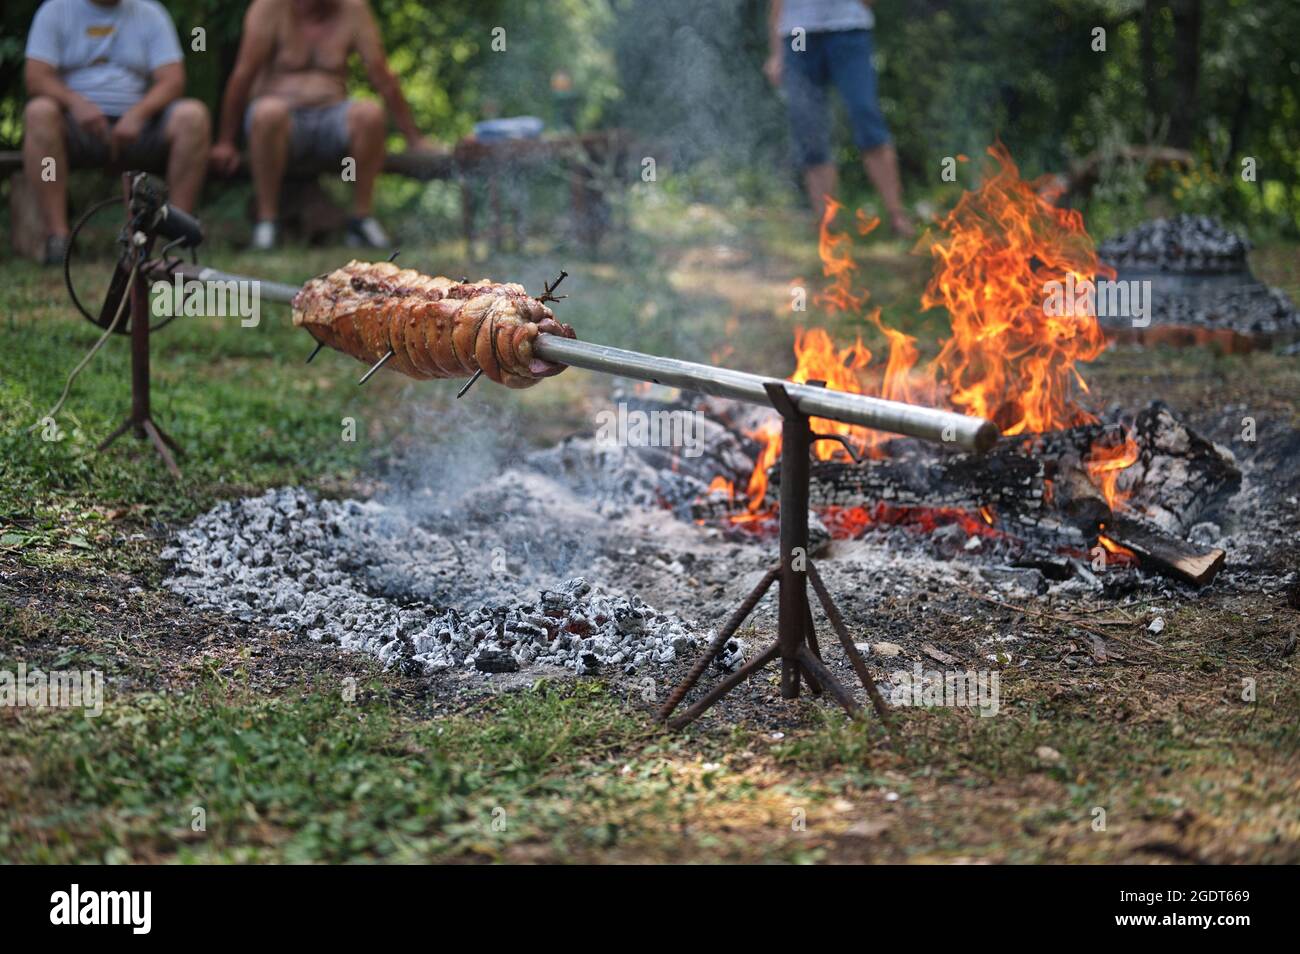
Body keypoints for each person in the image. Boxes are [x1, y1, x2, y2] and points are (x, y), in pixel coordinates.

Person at [209, 0, 434, 251]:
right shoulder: (268, 8)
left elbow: (382, 75)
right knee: (267, 112)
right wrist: (225, 141)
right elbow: (243, 74)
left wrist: (414, 139)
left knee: (369, 113)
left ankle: (361, 219)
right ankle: (267, 222)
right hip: (282, 122)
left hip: (332, 118)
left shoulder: (354, 10)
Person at [22, 0, 211, 265]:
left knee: (192, 115)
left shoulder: (150, 13)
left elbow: (173, 80)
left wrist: (138, 114)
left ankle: (177, 235)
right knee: (38, 112)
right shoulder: (54, 10)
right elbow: (36, 77)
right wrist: (76, 103)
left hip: (141, 130)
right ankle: (58, 237)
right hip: (74, 130)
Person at [764, 0, 913, 236]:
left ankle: (897, 215)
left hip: (848, 30)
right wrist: (776, 54)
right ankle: (827, 224)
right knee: (808, 126)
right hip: (799, 35)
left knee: (865, 114)